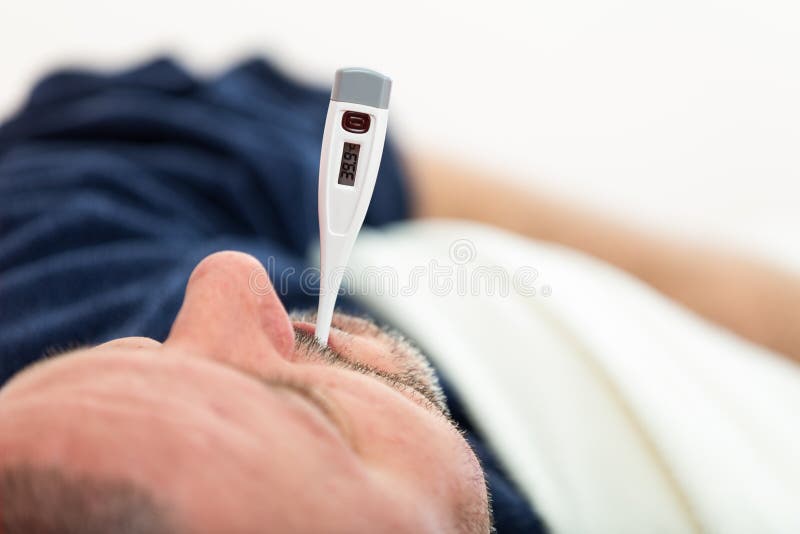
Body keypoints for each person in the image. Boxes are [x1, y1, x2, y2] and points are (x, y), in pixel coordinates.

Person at [2, 58, 799, 533]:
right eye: (305, 411)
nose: (226, 283)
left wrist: (757, 304)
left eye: (139, 352)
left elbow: (259, 128)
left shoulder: (54, 277)